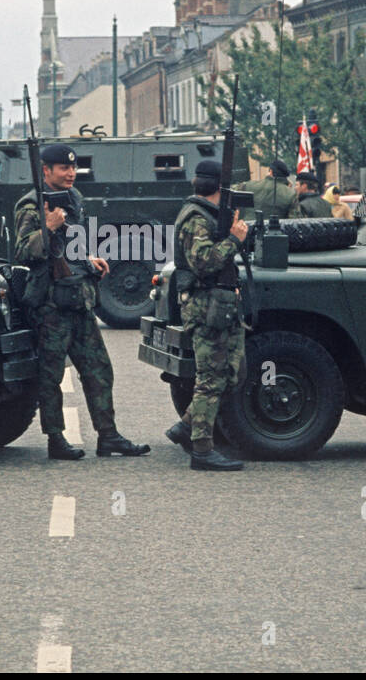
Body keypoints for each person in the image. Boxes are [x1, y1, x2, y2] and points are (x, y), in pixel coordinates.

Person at [14, 143, 149, 460]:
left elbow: (72, 243)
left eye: (73, 168)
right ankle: (56, 440)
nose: (71, 173)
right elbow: (22, 252)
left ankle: (108, 436)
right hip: (51, 304)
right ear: (46, 171)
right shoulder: (32, 205)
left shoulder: (74, 199)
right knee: (51, 376)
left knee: (99, 369)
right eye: (64, 168)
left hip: (79, 299)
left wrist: (90, 259)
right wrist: (46, 228)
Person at [164, 159, 248, 471]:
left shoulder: (209, 215)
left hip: (219, 304)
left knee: (232, 374)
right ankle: (201, 449)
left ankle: (187, 425)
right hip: (205, 306)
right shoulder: (196, 219)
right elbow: (204, 262)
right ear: (220, 188)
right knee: (211, 378)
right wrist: (234, 240)